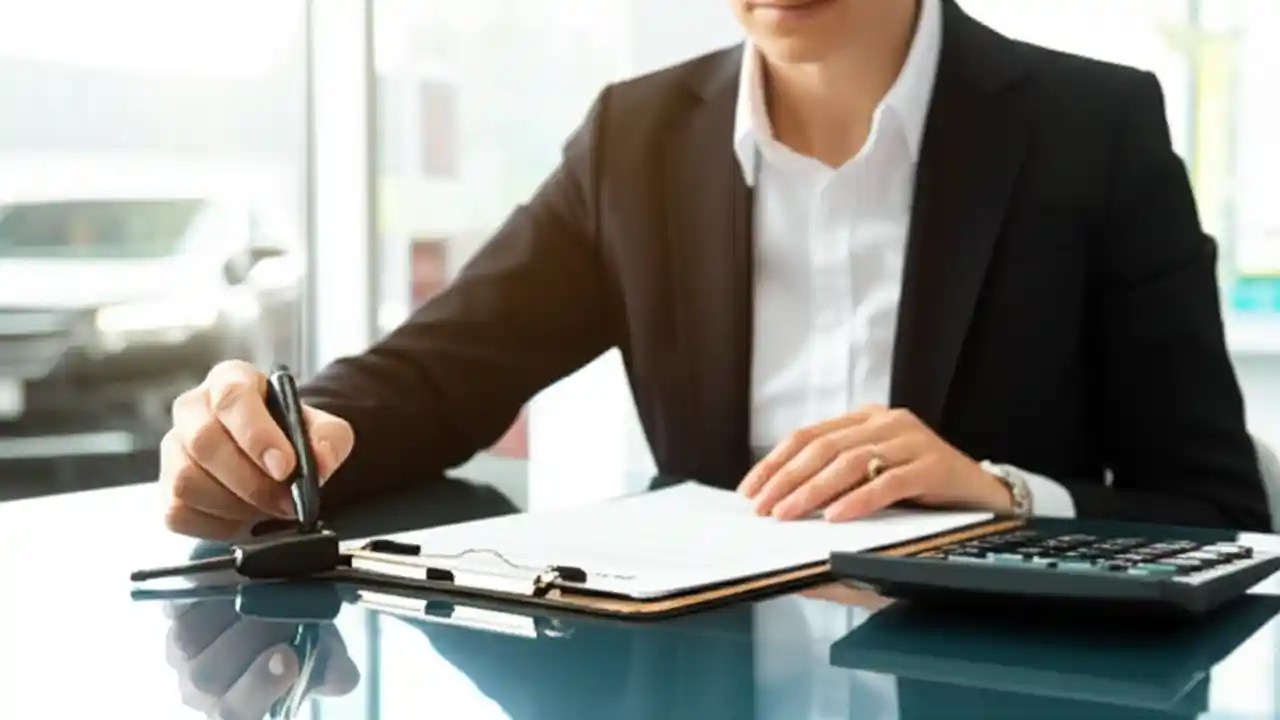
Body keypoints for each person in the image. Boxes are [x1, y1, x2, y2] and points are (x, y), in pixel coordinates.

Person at [158, 0, 1269, 540]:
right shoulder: (635, 140)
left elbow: (1217, 509)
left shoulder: (1093, 130)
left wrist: (1002, 496)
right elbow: (441, 373)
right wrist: (273, 436)